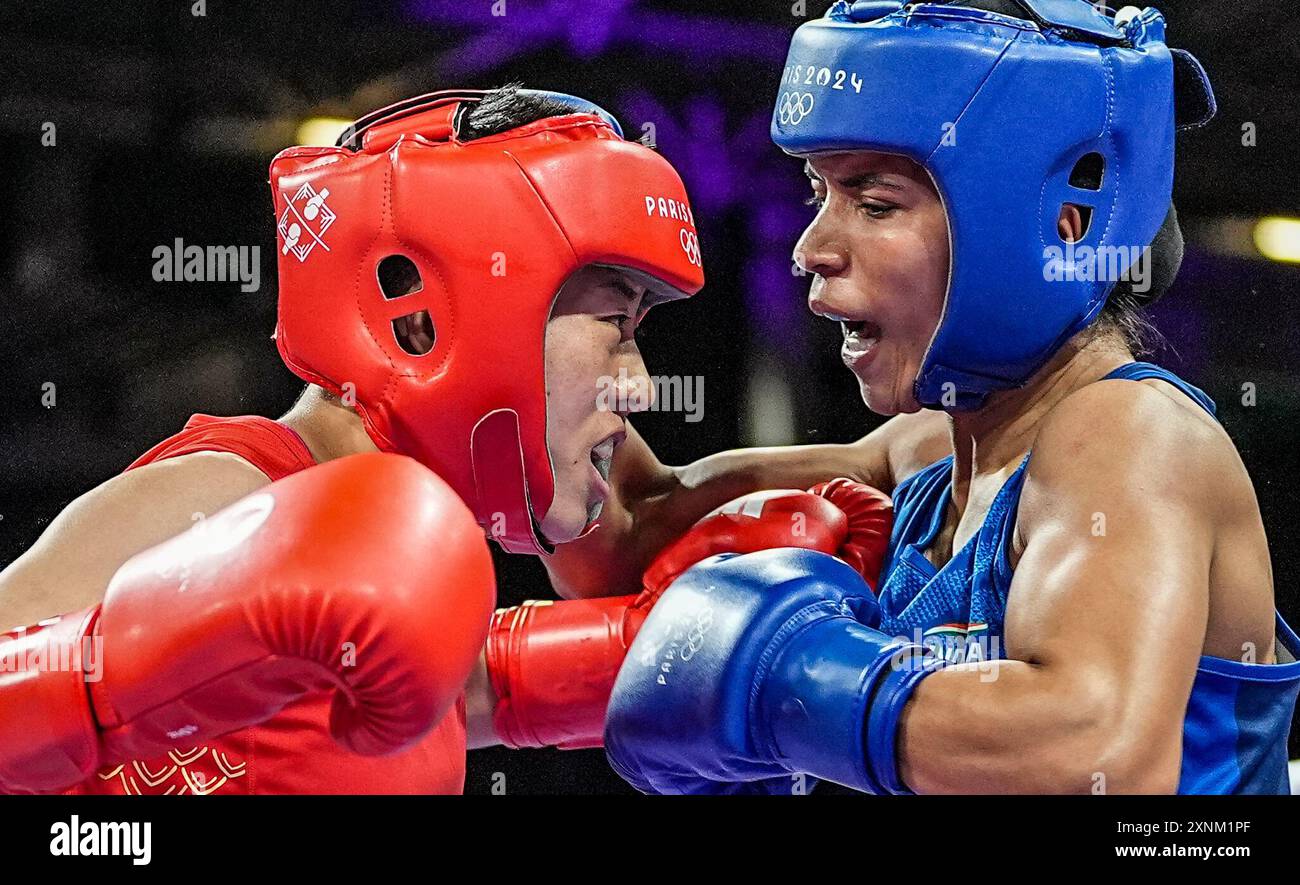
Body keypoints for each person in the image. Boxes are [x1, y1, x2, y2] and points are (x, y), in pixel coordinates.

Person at [590, 0, 1300, 794]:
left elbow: (1094, 750)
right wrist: (550, 330)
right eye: (819, 192)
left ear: (1061, 227)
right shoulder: (923, 460)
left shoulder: (1133, 433)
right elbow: (624, 529)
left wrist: (790, 679)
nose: (811, 248)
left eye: (875, 202)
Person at [0, 85, 722, 794]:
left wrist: (700, 665)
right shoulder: (232, 493)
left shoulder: (402, 595)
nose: (639, 386)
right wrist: (107, 687)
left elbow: (455, 688)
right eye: (615, 330)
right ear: (419, 322)